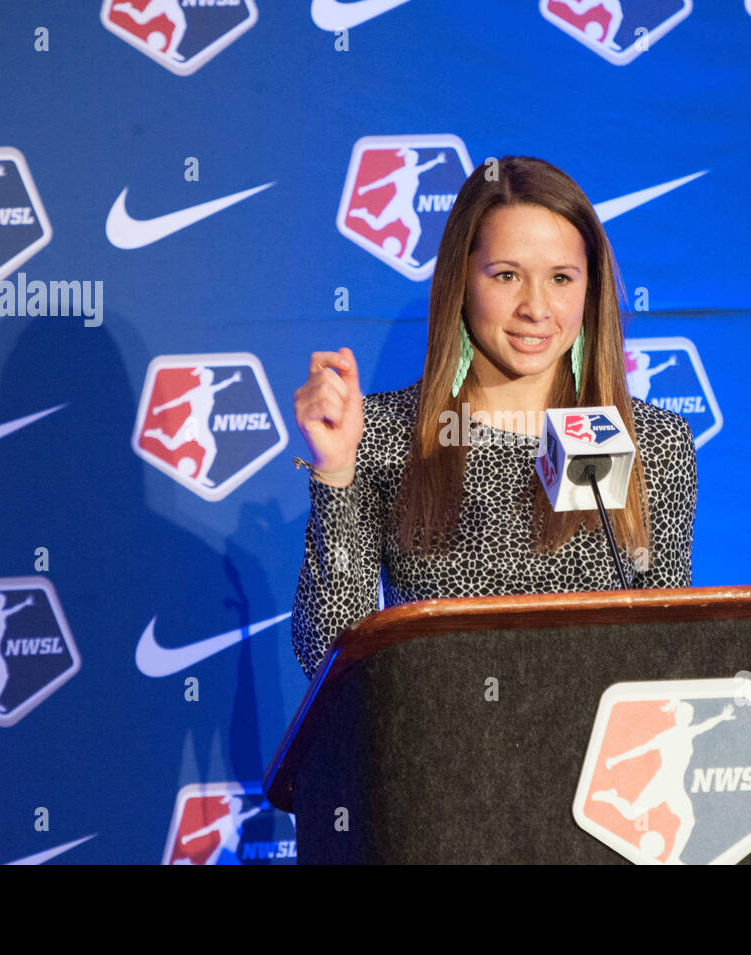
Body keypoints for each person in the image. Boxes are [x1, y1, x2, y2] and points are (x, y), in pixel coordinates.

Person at [290, 156, 697, 677]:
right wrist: (337, 472)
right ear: (461, 281)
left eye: (561, 278)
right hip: (441, 751)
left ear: (590, 289)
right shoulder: (384, 436)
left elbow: (672, 656)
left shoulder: (655, 443)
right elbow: (328, 654)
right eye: (507, 275)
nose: (536, 307)